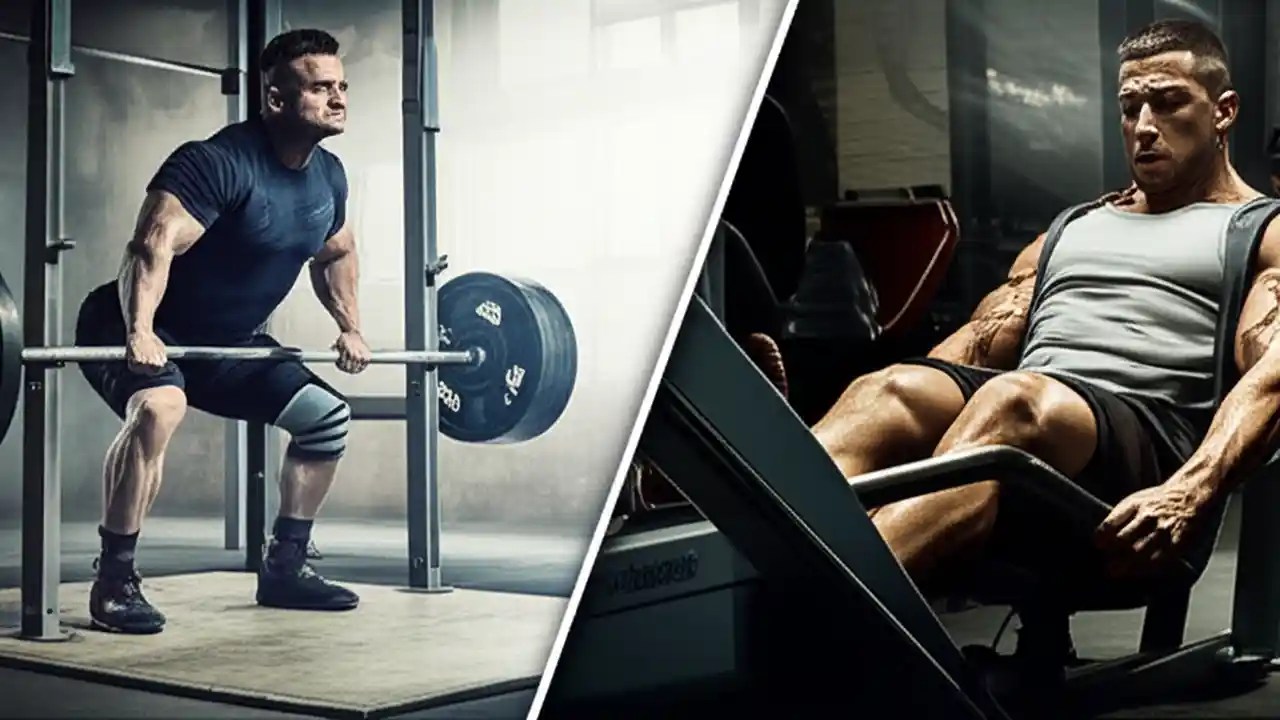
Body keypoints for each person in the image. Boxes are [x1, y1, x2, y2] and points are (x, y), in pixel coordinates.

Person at [812, 19, 1280, 610]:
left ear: (1224, 111)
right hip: (1026, 415)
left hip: (1143, 440)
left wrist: (1189, 492)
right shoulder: (1073, 227)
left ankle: (821, 614)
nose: (1143, 127)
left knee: (1015, 401)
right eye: (1129, 107)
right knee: (888, 389)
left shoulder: (1265, 230)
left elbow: (1274, 379)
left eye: (1167, 104)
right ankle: (760, 571)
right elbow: (970, 351)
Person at [75, 29, 369, 635]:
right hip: (138, 321)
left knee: (327, 417)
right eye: (320, 87)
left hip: (230, 339)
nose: (338, 98)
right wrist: (140, 330)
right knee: (159, 408)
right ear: (276, 98)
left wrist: (351, 327)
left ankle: (285, 567)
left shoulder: (330, 176)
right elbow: (151, 243)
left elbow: (336, 252)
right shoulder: (216, 162)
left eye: (341, 86)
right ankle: (114, 582)